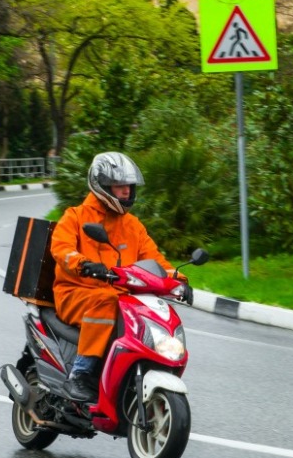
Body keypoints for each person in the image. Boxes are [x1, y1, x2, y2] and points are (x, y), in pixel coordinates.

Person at [50, 152, 190, 404]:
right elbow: (61, 248)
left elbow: (155, 260)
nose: (126, 191)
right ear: (102, 186)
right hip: (75, 293)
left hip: (119, 294)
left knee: (149, 312)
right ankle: (80, 374)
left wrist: (178, 279)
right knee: (105, 302)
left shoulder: (132, 225)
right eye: (119, 186)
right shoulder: (76, 216)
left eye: (128, 186)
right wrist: (83, 264)